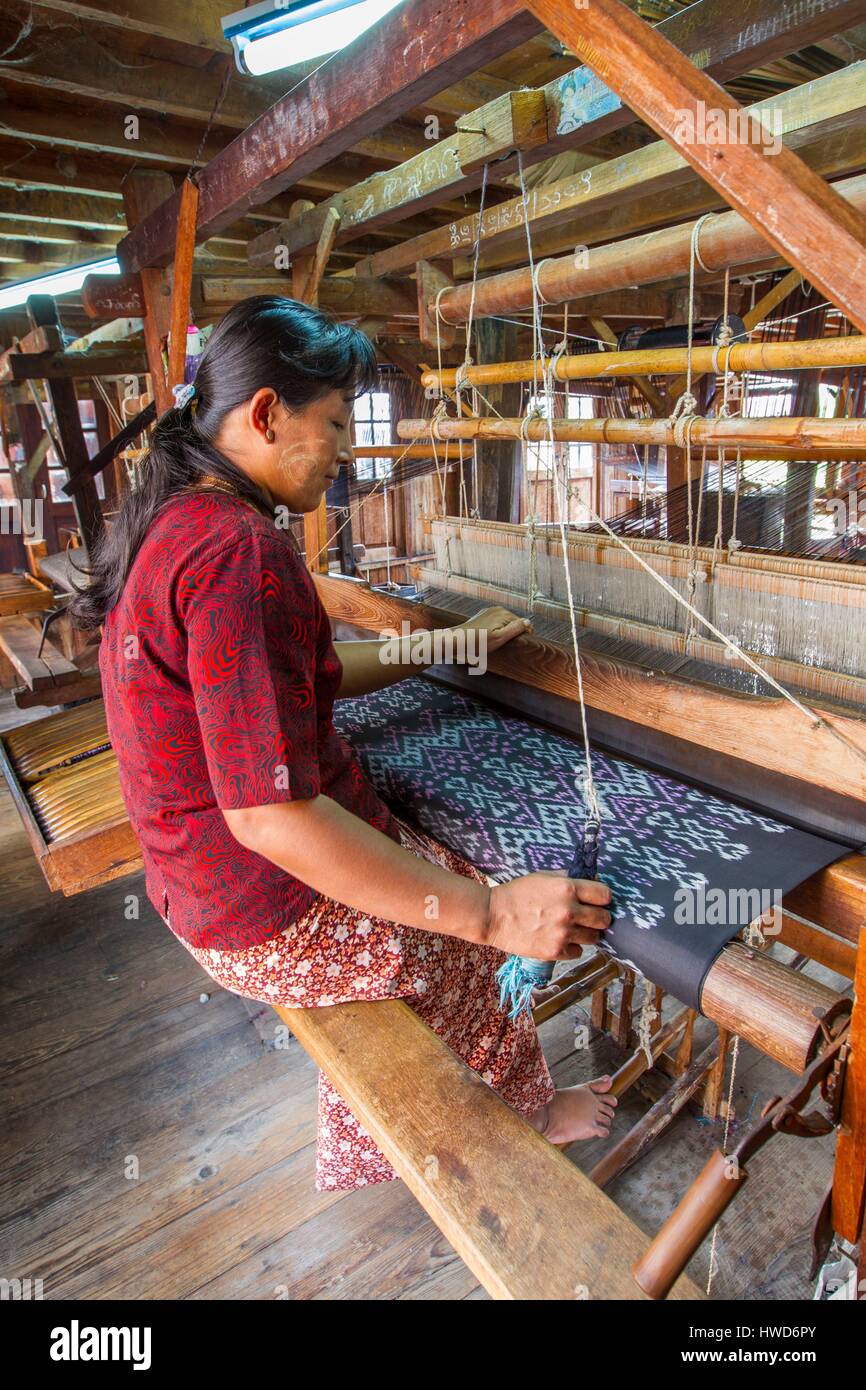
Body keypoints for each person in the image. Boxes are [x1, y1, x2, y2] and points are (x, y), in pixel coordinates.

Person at [73, 295, 616, 1192]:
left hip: (194, 885)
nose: (346, 449)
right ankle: (520, 1118)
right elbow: (270, 818)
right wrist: (488, 916)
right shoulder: (237, 553)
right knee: (469, 919)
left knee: (438, 868)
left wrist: (450, 644)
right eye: (333, 422)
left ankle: (400, 1122)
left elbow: (310, 672)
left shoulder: (177, 518)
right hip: (257, 912)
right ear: (264, 414)